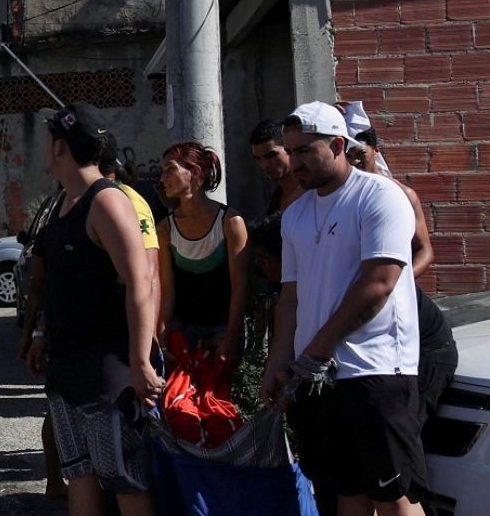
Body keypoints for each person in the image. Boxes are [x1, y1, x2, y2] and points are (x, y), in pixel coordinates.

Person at [261, 101, 427, 516]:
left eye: (304, 151)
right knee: (344, 494)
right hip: (317, 380)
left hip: (375, 370)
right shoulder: (295, 214)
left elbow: (379, 283)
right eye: (290, 150)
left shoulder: (380, 197)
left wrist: (316, 351)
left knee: (394, 497)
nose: (293, 161)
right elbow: (291, 298)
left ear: (338, 144)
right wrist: (279, 360)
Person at [24, 103, 163, 516]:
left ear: (59, 146)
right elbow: (59, 284)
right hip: (67, 370)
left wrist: (140, 360)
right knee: (79, 473)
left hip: (109, 374)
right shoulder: (63, 202)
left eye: (47, 139)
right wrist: (40, 333)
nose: (43, 146)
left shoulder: (108, 201)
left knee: (124, 477)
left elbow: (142, 281)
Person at [344, 103, 456, 431]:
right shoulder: (343, 202)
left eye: (360, 155)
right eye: (348, 156)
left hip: (399, 305)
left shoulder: (401, 195)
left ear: (374, 151)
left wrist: (396, 278)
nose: (355, 163)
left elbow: (424, 251)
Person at [156, 142, 249, 371]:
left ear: (195, 172)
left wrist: (231, 338)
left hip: (221, 330)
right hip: (181, 332)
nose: (162, 178)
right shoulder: (165, 230)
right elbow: (167, 290)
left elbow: (241, 285)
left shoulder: (230, 223)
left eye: (170, 169)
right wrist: (162, 339)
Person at [250, 119, 305, 215]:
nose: (265, 165)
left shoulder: (314, 192)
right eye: (258, 159)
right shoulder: (276, 201)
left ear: (288, 148)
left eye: (271, 155)